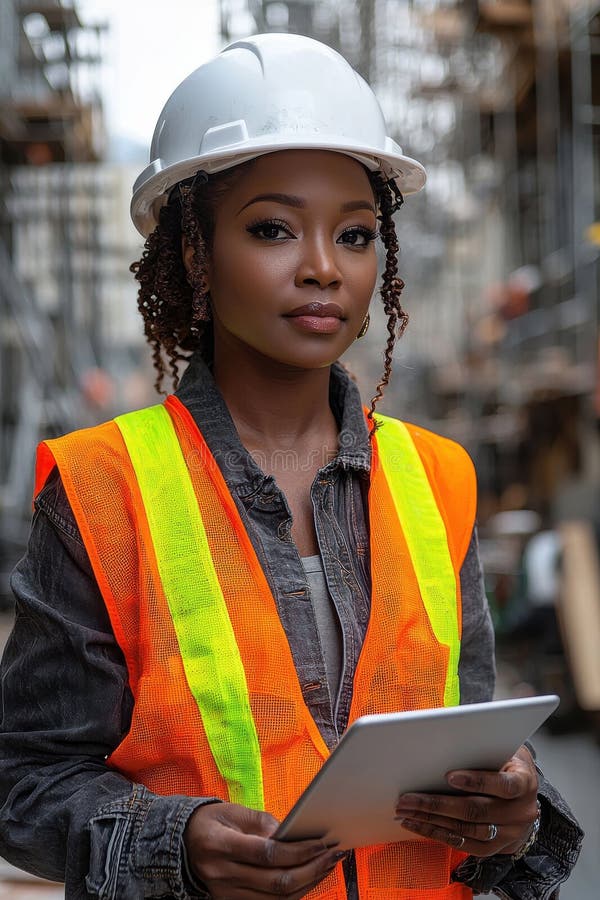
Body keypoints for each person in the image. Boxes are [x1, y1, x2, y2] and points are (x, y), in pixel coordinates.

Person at [0, 33, 582, 900]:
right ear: (195, 253)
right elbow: (26, 780)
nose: (321, 267)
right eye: (272, 228)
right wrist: (179, 842)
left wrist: (508, 811)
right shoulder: (100, 488)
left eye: (354, 234)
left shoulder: (438, 479)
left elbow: (473, 746)